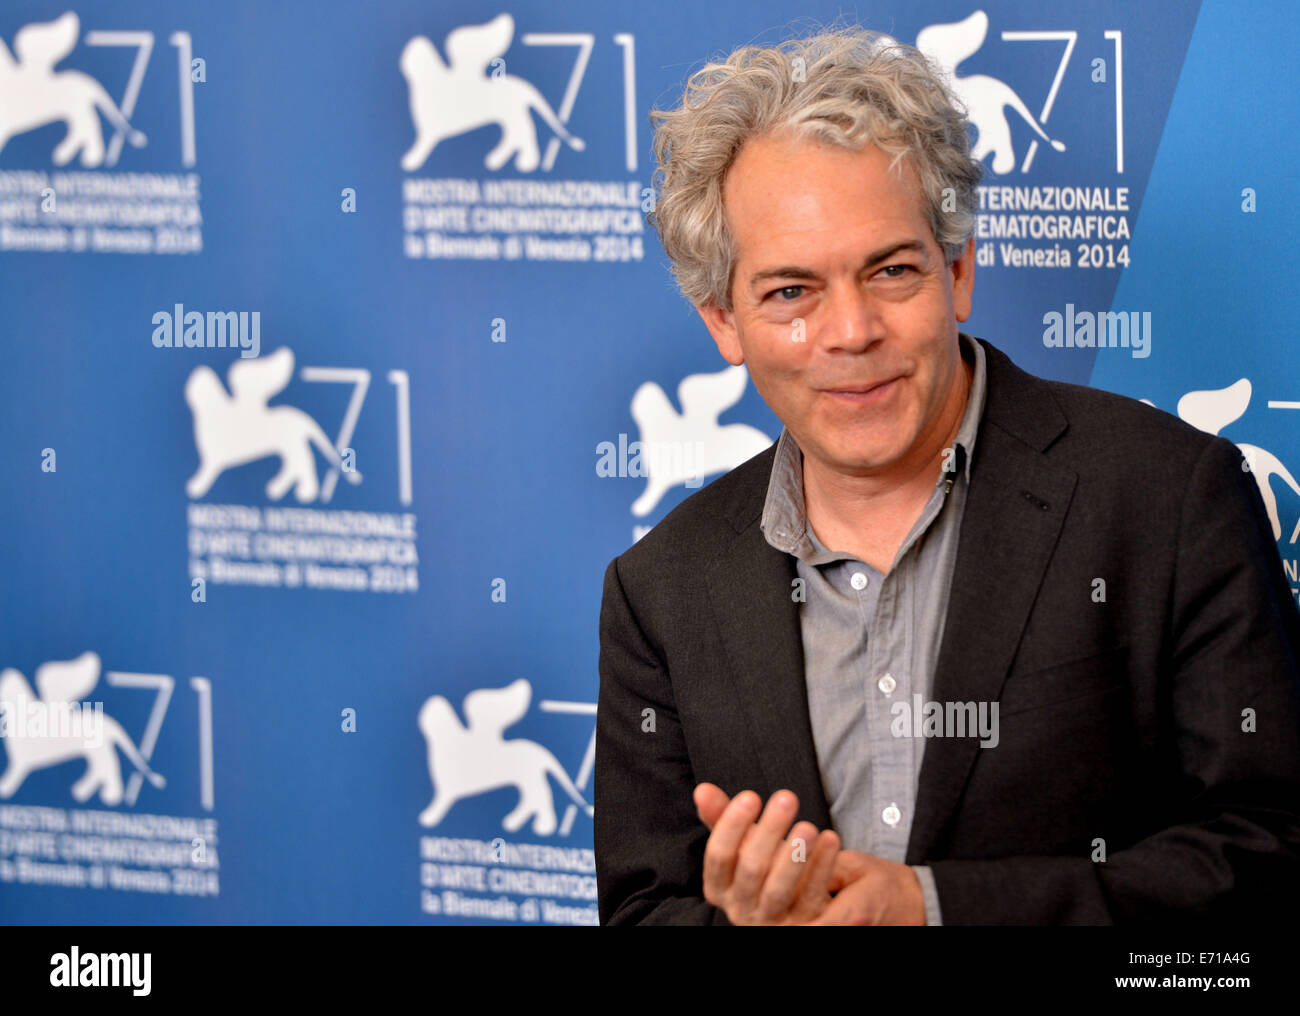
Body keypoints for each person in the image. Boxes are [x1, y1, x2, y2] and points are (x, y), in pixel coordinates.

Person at [594, 25, 1300, 925]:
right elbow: (644, 909)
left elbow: (1274, 854)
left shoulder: (1168, 496)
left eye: (891, 271)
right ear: (724, 325)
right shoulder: (662, 588)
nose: (851, 332)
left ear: (958, 271)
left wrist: (933, 911)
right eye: (790, 292)